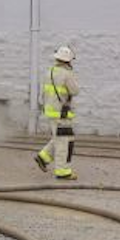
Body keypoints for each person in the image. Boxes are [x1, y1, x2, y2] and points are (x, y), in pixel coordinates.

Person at [34, 45, 79, 180]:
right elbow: (75, 91)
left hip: (51, 112)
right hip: (62, 114)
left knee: (59, 138)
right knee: (64, 142)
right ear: (68, 61)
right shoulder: (66, 74)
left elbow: (44, 93)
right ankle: (62, 171)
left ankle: (43, 157)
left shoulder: (50, 72)